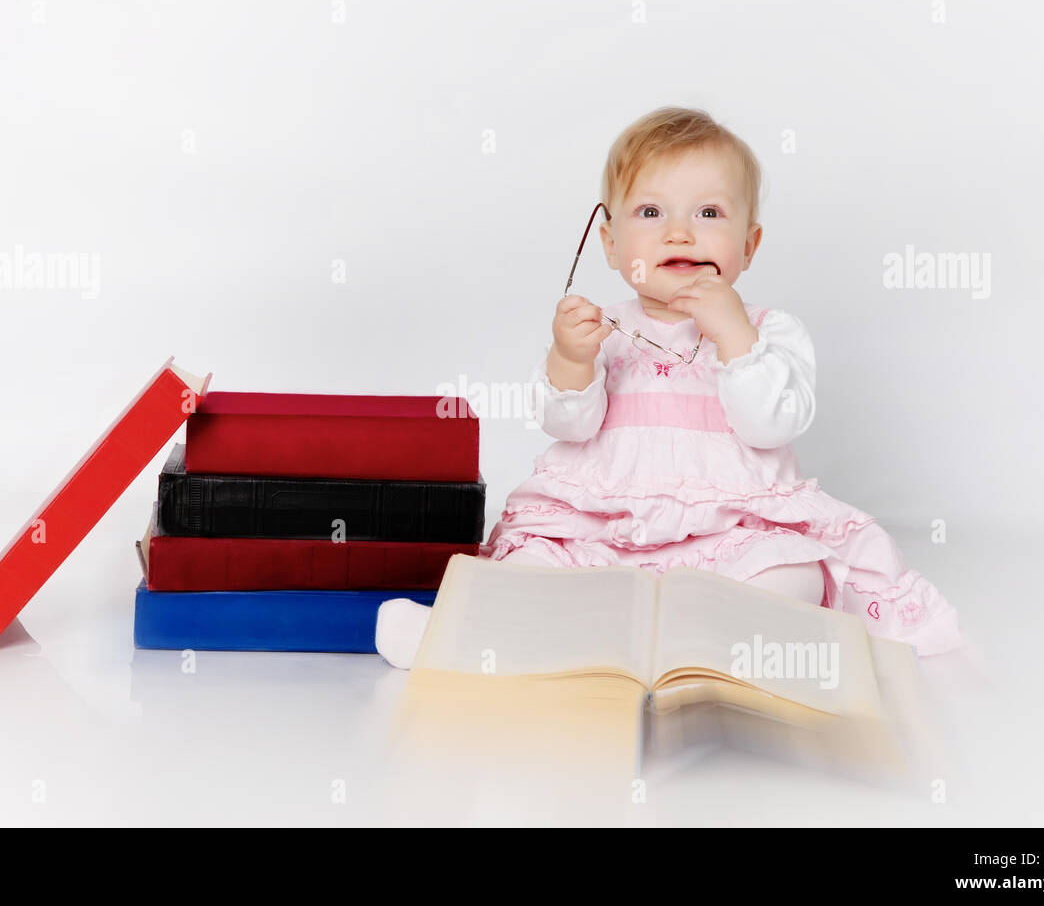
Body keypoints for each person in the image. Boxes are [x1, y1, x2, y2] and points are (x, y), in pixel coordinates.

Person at [376, 105, 964, 669]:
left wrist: (731, 331)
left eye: (709, 214)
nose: (680, 234)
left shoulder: (767, 330)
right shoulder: (601, 328)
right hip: (603, 524)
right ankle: (459, 635)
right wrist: (570, 358)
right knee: (532, 563)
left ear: (749, 246)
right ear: (610, 244)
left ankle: (697, 646)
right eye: (651, 213)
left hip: (728, 530)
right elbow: (568, 424)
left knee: (794, 576)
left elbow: (770, 425)